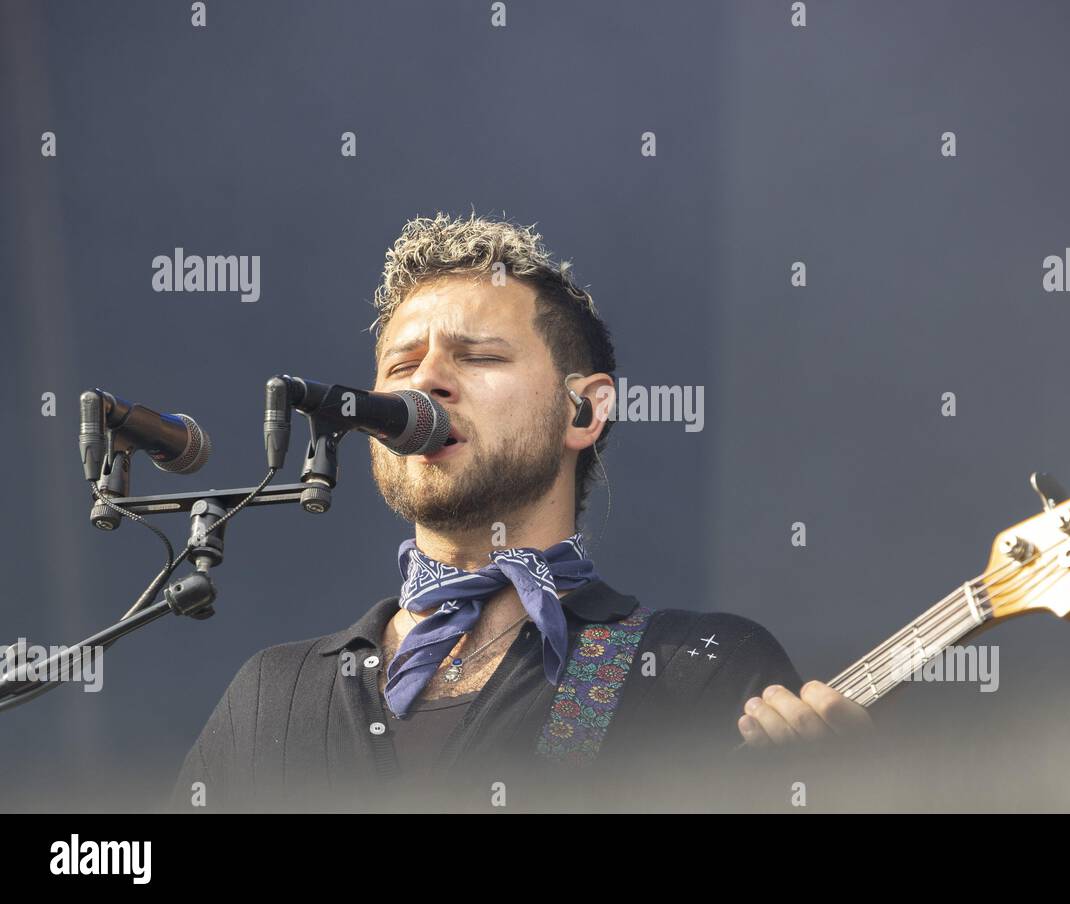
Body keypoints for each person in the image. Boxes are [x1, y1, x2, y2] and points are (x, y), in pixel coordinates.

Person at [167, 212, 869, 813]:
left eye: (478, 356)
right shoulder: (271, 693)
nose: (429, 380)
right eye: (402, 366)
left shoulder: (695, 669)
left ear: (584, 409)